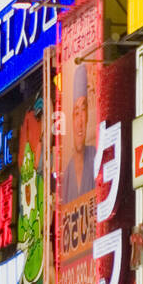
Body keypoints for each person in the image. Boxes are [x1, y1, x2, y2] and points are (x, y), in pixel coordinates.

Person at [62, 62, 95, 202]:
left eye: (83, 111)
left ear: (87, 117)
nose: (80, 121)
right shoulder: (67, 172)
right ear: (71, 118)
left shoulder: (96, 155)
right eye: (76, 113)